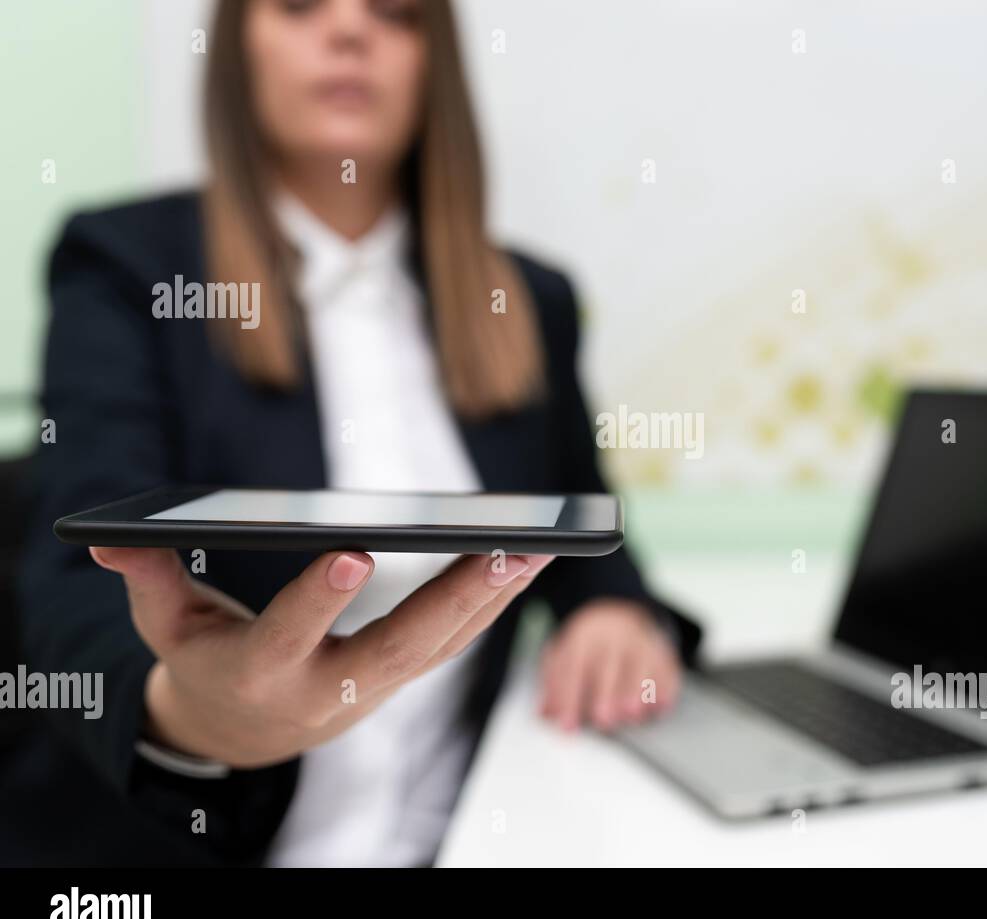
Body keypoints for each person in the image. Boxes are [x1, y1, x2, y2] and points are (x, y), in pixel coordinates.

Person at [14, 0, 696, 867]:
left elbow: (584, 516)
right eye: (300, 6)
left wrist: (613, 609)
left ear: (433, 65)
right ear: (236, 50)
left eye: (397, 14)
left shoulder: (528, 299)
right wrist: (186, 717)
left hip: (468, 832)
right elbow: (73, 574)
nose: (350, 32)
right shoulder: (126, 265)